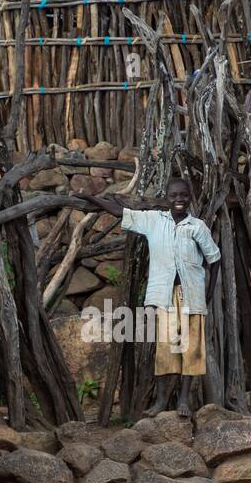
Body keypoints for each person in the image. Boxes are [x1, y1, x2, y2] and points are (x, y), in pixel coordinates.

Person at [81, 178, 220, 416]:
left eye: (184, 195)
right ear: (167, 197)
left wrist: (207, 294)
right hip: (163, 297)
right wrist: (88, 197)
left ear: (189, 197)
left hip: (192, 296)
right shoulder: (153, 221)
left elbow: (214, 259)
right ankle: (162, 401)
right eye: (174, 195)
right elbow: (119, 211)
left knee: (190, 348)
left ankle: (184, 401)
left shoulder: (197, 227)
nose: (179, 199)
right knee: (166, 348)